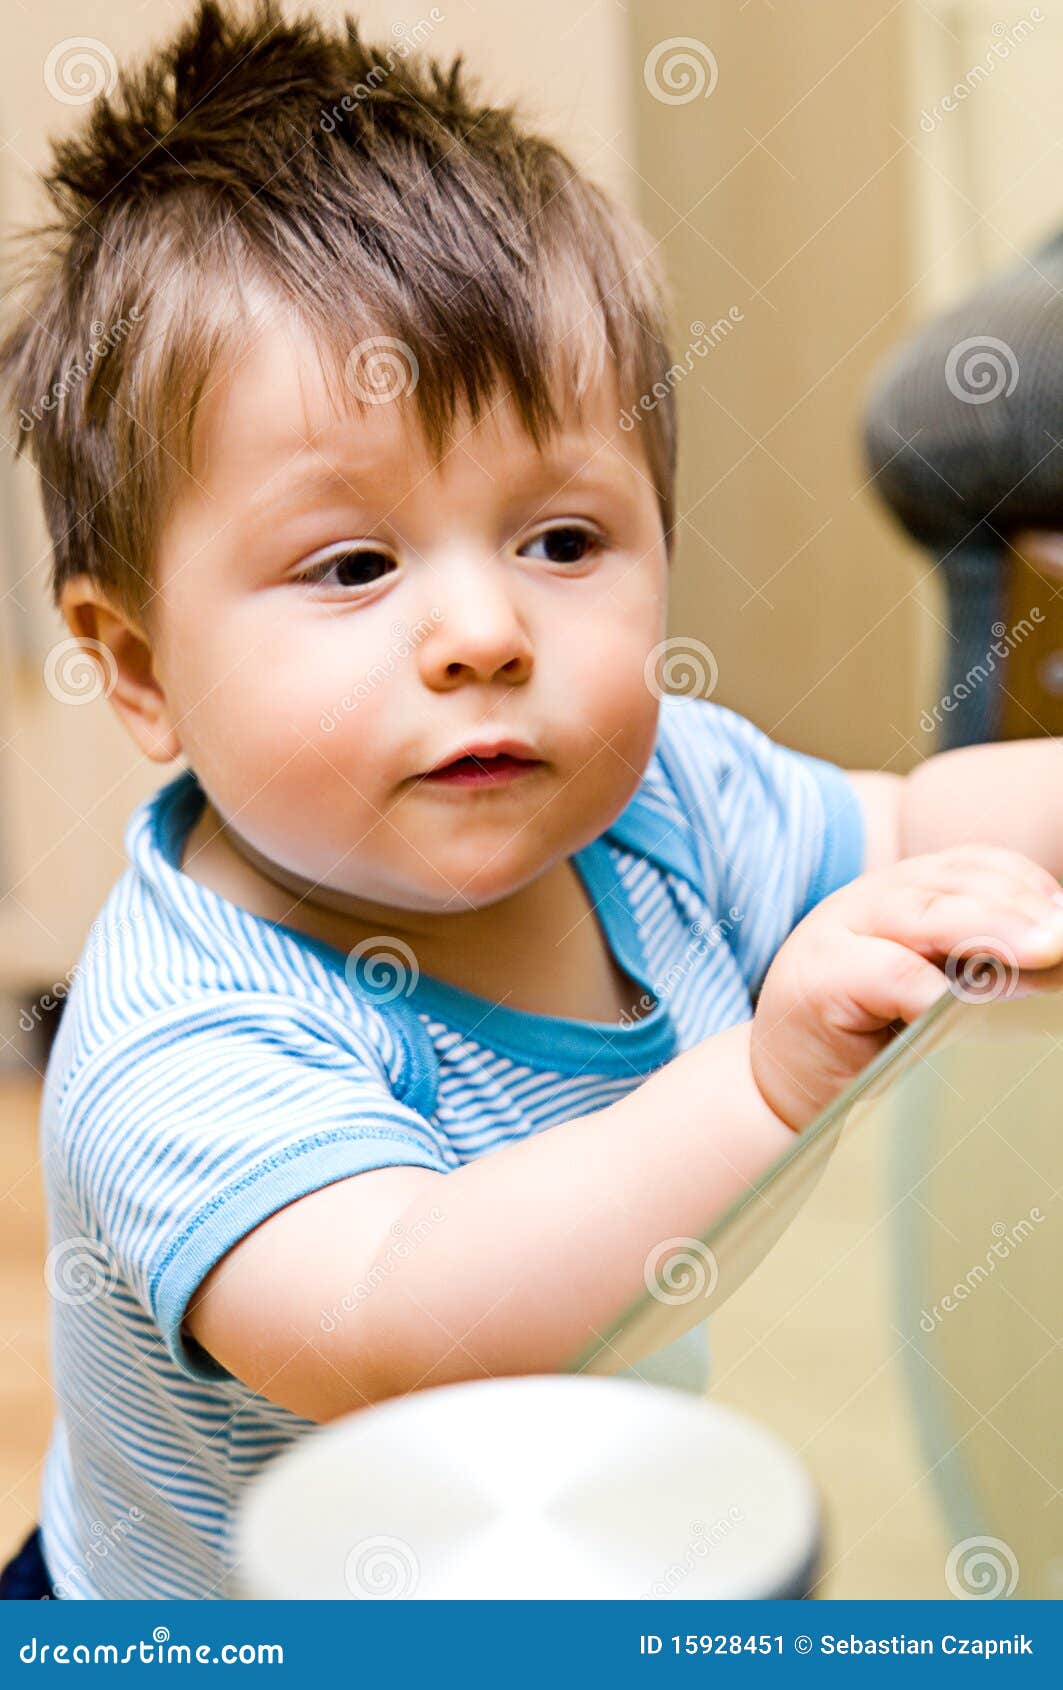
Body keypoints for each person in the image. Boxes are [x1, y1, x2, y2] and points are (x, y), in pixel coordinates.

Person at [2, 0, 1063, 1599]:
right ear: (137, 661)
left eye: (561, 541)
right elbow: (401, 1327)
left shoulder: (659, 801)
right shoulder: (186, 1034)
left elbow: (921, 826)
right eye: (351, 565)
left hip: (570, 1542)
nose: (489, 633)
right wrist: (764, 1089)